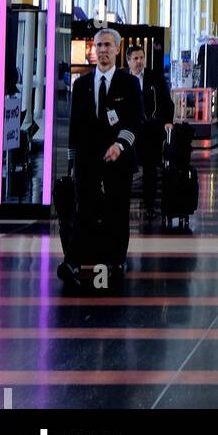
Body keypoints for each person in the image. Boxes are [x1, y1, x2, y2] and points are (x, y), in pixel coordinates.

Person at [58, 28, 141, 286]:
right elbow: (75, 126)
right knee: (85, 209)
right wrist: (72, 161)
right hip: (87, 159)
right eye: (99, 45)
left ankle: (116, 259)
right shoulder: (81, 84)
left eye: (107, 45)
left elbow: (134, 120)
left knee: (117, 209)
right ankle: (72, 262)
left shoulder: (129, 84)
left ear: (117, 49)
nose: (102, 50)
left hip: (119, 157)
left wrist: (120, 145)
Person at [127, 44, 174, 217]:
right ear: (129, 61)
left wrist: (167, 121)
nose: (139, 62)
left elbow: (167, 102)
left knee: (150, 169)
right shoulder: (123, 80)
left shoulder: (155, 78)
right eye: (135, 59)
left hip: (151, 129)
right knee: (125, 168)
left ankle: (149, 206)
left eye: (141, 58)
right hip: (130, 131)